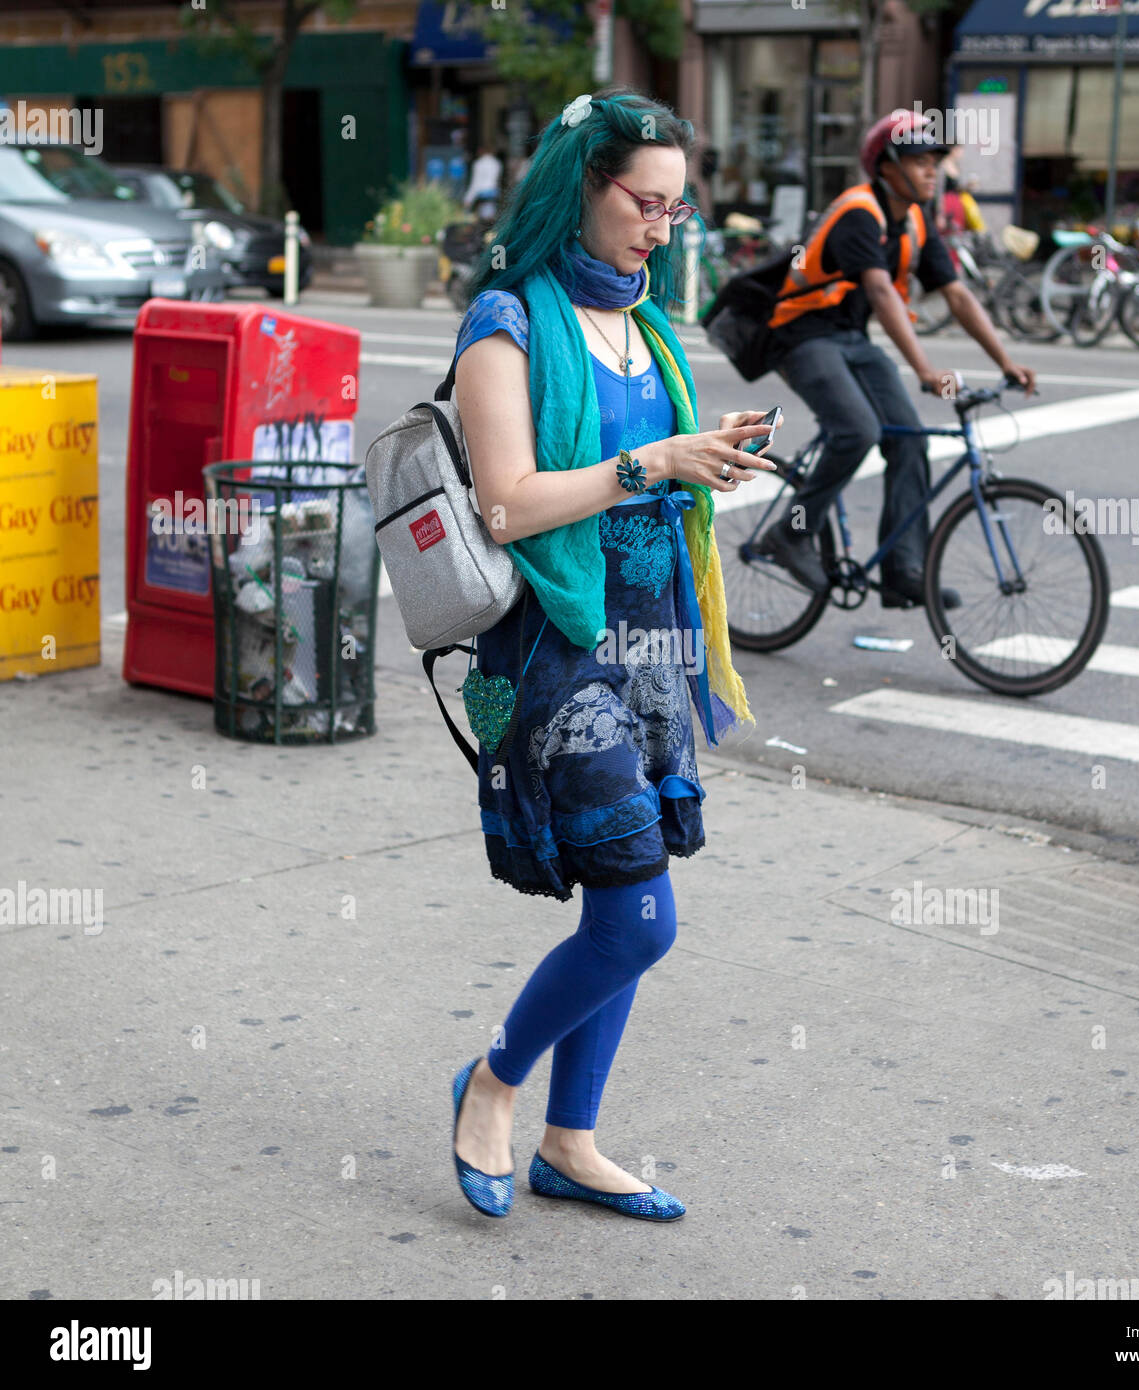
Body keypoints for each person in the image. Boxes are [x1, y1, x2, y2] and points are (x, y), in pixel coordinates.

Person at [446, 85, 778, 1222]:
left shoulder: (643, 323)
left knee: (619, 909)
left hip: (649, 646)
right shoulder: (506, 319)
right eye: (646, 202)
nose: (662, 228)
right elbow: (507, 505)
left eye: (678, 211)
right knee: (642, 916)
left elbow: (651, 460)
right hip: (552, 649)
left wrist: (704, 452)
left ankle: (569, 1142)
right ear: (582, 186)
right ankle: (490, 1081)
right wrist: (655, 465)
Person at [757, 108, 1036, 604]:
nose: (933, 169)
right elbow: (883, 294)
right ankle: (792, 535)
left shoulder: (915, 221)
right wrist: (925, 370)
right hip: (800, 335)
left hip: (850, 338)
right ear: (887, 166)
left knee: (908, 438)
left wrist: (1004, 363)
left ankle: (903, 569)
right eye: (919, 159)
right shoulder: (858, 211)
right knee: (859, 429)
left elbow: (957, 294)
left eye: (936, 159)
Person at [463, 143, 502, 221]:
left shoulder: (478, 163)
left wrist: (468, 198)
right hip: (494, 193)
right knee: (491, 219)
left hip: (482, 195)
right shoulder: (497, 163)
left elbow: (476, 183)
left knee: (482, 220)